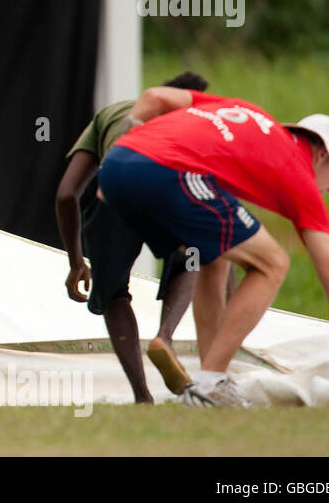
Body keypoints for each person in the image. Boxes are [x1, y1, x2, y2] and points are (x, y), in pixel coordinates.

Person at [97, 87, 329, 407]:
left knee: (216, 257)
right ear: (322, 154)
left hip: (116, 164)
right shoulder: (298, 172)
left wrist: (116, 164)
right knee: (273, 264)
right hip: (167, 170)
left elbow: (152, 97)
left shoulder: (244, 112)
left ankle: (210, 381)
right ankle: (209, 384)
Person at [55, 72, 234, 403]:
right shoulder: (198, 124)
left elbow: (67, 195)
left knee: (113, 295)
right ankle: (164, 338)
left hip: (113, 193)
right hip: (169, 187)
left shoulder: (112, 114)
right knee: (190, 257)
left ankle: (141, 395)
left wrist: (76, 261)